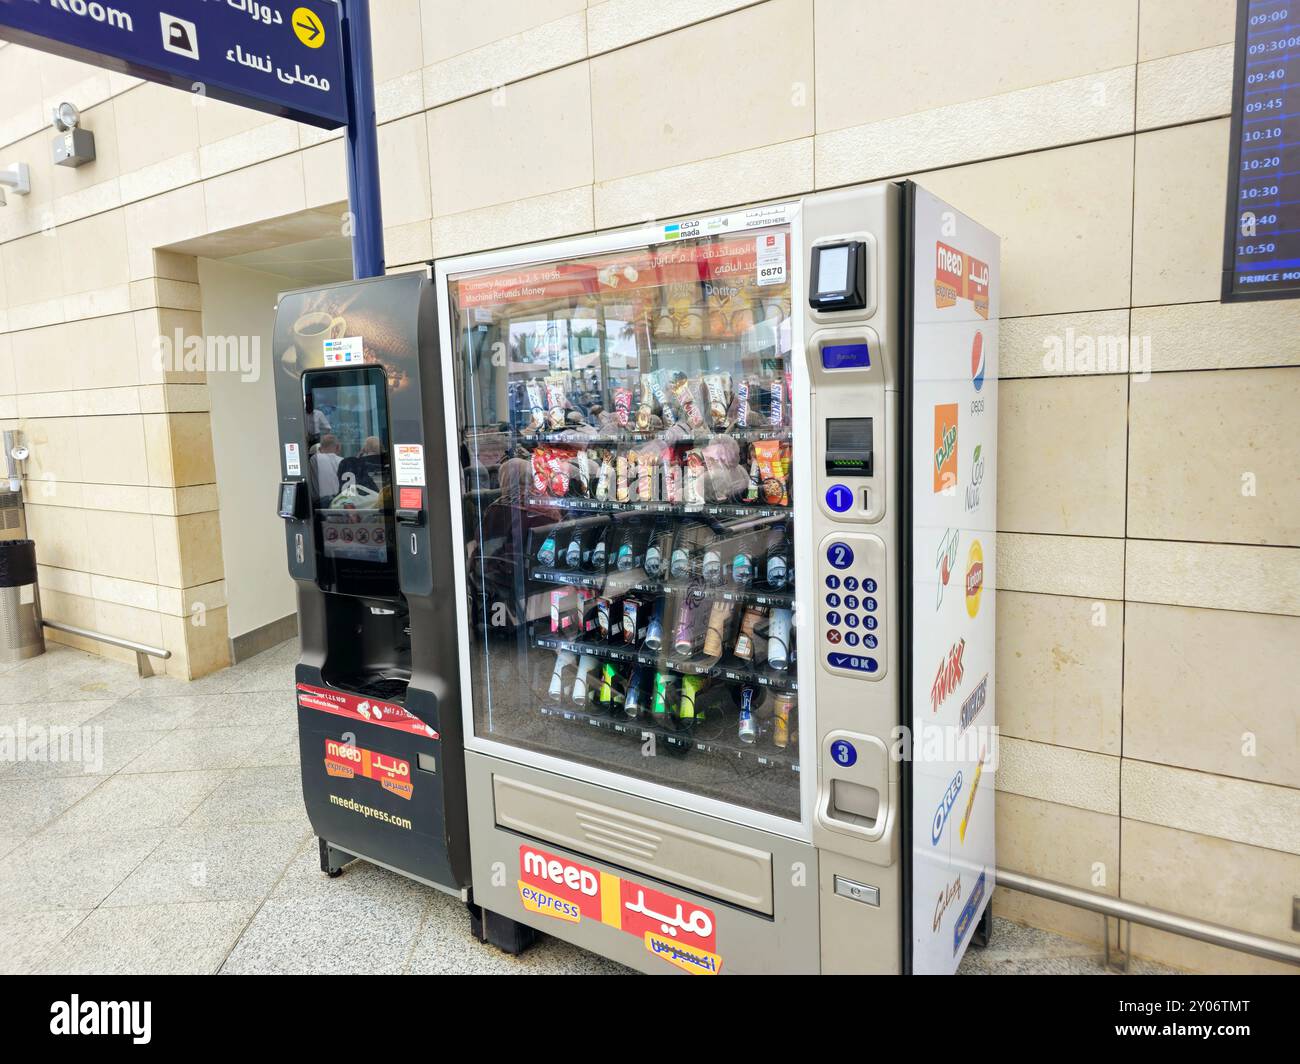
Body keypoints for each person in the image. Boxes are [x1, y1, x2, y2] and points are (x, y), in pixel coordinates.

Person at [310, 434, 343, 501]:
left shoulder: (314, 459)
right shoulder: (343, 461)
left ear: (319, 449)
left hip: (320, 504)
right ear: (338, 447)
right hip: (340, 503)